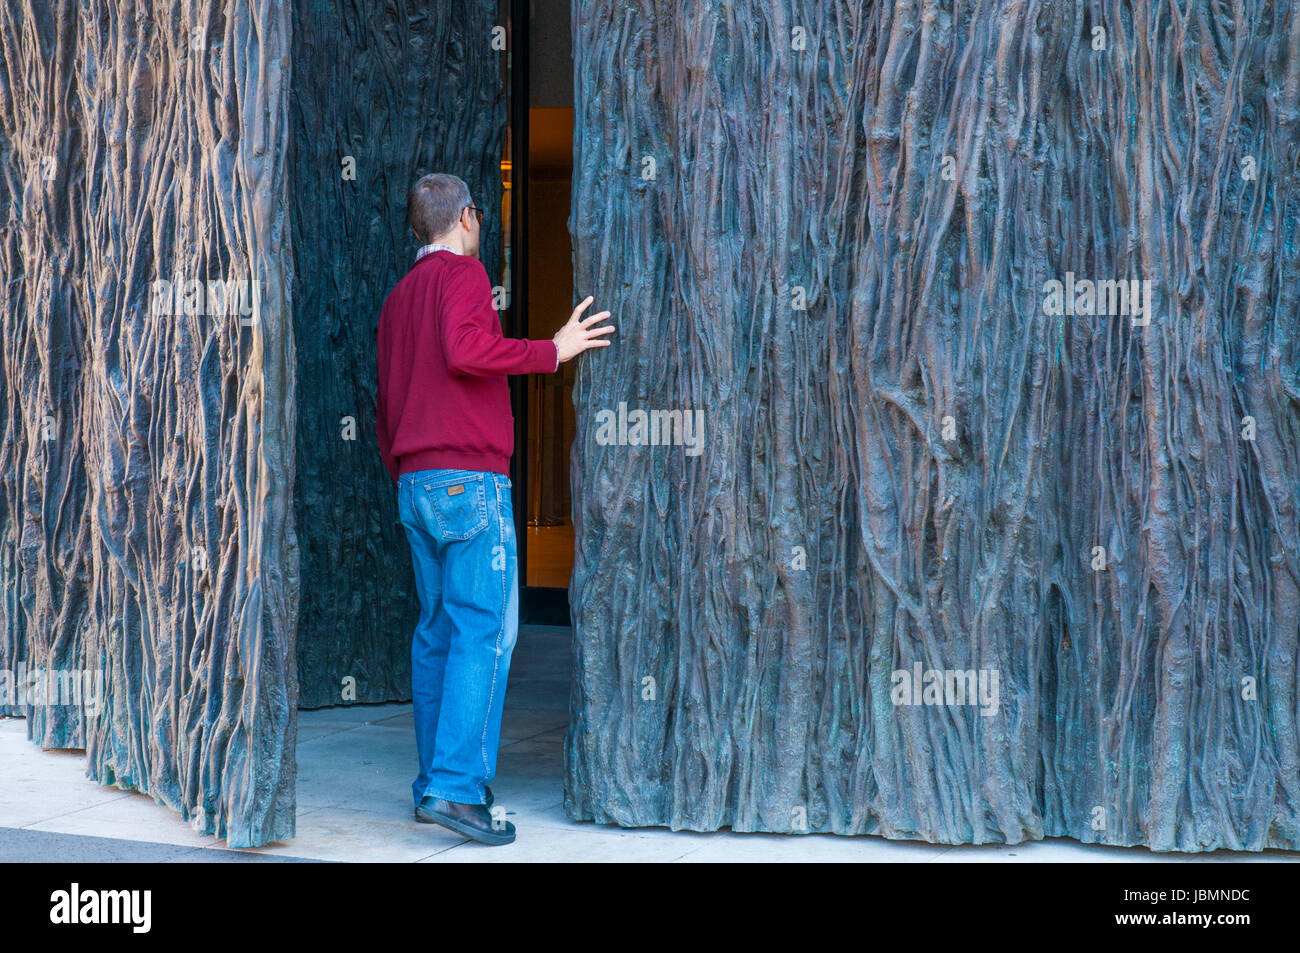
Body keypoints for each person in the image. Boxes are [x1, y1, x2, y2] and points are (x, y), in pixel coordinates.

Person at [375, 172, 614, 846]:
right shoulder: (465, 276)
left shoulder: (398, 298)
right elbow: (466, 349)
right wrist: (553, 350)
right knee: (486, 631)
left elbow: (385, 402)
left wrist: (404, 474)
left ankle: (434, 783)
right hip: (468, 482)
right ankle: (455, 789)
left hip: (416, 484)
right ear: (469, 218)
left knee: (437, 633)